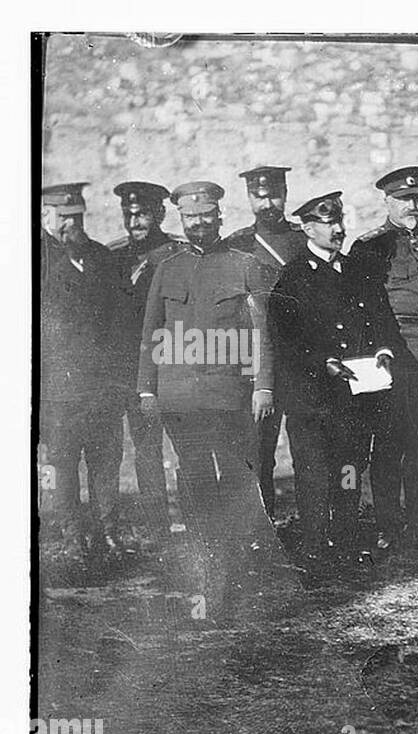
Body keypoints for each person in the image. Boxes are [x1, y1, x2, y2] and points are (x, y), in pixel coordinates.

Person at [136, 180, 279, 608]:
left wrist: (263, 386)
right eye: (190, 217)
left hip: (229, 397)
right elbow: (151, 332)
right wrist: (146, 389)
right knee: (194, 479)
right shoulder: (167, 268)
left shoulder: (245, 265)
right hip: (179, 399)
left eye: (205, 215)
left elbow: (261, 334)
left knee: (236, 477)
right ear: (181, 219)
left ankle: (237, 562)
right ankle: (207, 562)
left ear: (219, 216)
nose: (199, 223)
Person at [267, 190, 416, 581]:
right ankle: (315, 550)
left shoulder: (355, 271)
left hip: (354, 398)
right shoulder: (293, 277)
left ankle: (346, 542)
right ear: (307, 228)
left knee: (349, 470)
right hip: (313, 400)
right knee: (315, 476)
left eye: (339, 221)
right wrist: (324, 363)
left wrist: (383, 351)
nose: (338, 229)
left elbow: (381, 319)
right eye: (328, 223)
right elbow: (286, 340)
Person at [350, 165, 418, 550]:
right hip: (395, 350)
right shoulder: (370, 247)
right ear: (387, 201)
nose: (413, 206)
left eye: (417, 199)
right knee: (390, 440)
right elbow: (363, 308)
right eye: (404, 199)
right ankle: (388, 527)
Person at [40, 182, 129, 564]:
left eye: (76, 217)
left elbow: (120, 323)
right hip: (59, 391)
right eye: (62, 218)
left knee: (106, 463)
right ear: (45, 216)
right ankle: (73, 538)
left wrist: (118, 382)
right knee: (63, 466)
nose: (70, 226)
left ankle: (108, 532)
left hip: (101, 388)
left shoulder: (101, 257)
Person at [223, 165, 307, 519]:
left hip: (300, 360)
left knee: (308, 450)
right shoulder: (237, 244)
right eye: (259, 197)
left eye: (274, 195)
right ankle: (263, 526)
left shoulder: (303, 239)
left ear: (285, 195)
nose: (267, 203)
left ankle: (313, 525)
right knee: (259, 452)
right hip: (257, 363)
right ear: (249, 198)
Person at [107, 180, 185, 542]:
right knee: (146, 450)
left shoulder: (178, 255)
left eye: (142, 214)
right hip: (132, 373)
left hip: (172, 369)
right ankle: (158, 529)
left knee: (187, 448)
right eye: (129, 214)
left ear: (160, 214)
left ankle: (199, 526)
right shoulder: (113, 257)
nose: (134, 221)